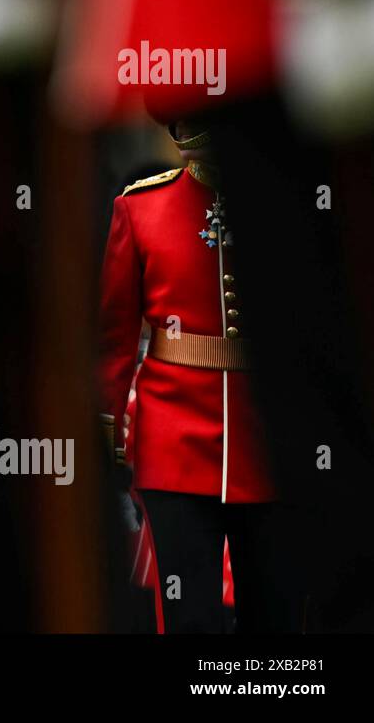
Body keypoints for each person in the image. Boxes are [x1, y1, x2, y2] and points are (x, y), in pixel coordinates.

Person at [98, 119, 305, 632]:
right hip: (175, 447)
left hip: (269, 443)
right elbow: (114, 339)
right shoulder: (141, 207)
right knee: (191, 618)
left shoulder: (285, 203)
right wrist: (109, 435)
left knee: (277, 617)